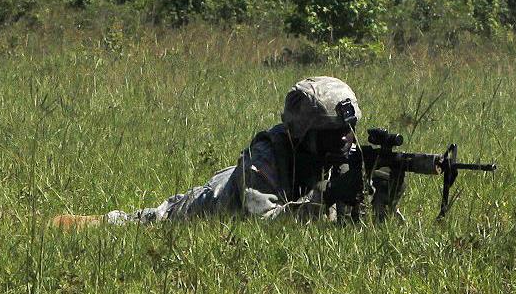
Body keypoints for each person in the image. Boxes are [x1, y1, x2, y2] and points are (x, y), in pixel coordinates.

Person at [62, 76, 403, 226]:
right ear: (303, 134)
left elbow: (354, 223)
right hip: (199, 210)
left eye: (348, 130)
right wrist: (325, 201)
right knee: (137, 222)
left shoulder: (339, 154)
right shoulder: (265, 156)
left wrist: (380, 201)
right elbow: (264, 222)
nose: (345, 139)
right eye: (332, 132)